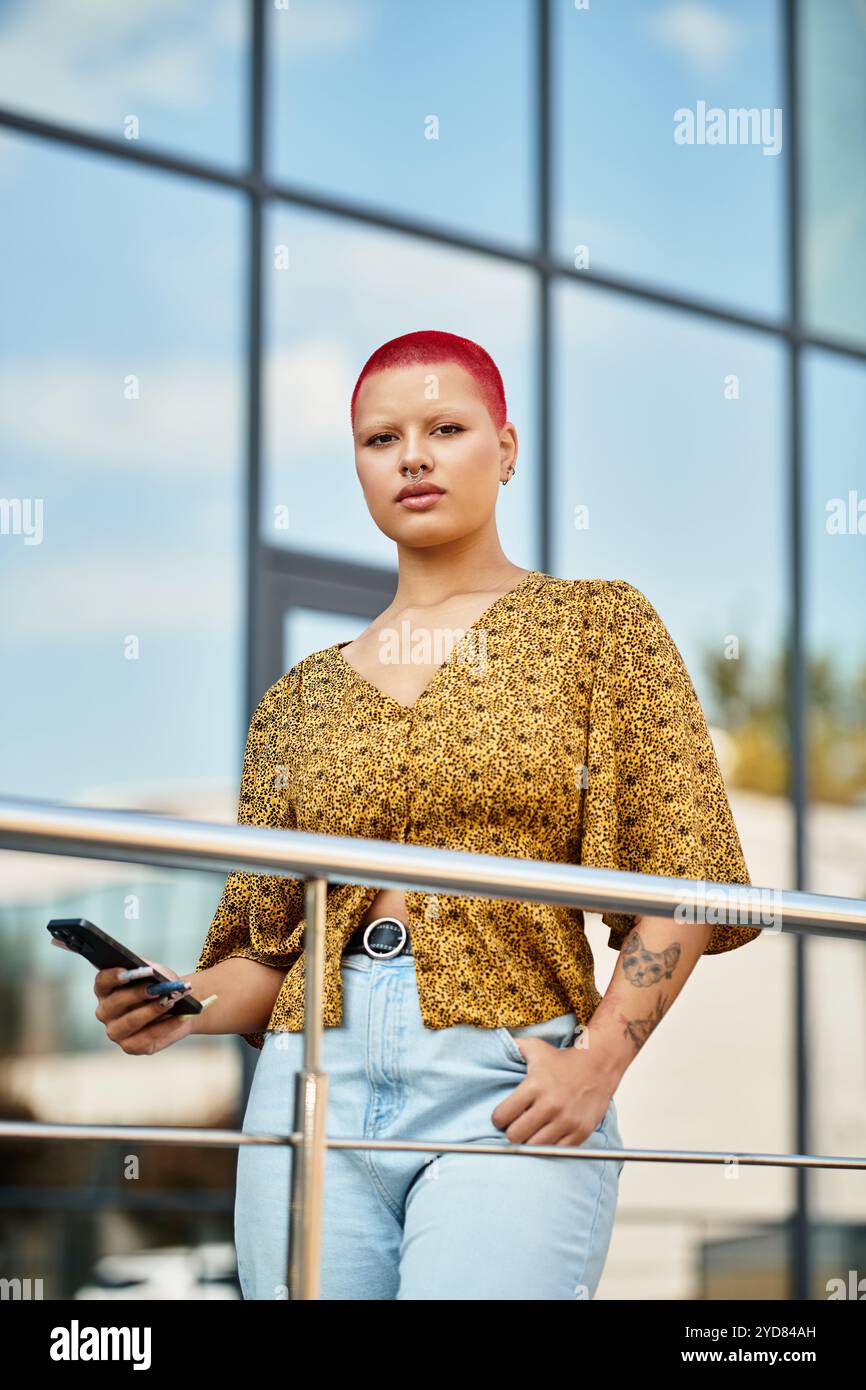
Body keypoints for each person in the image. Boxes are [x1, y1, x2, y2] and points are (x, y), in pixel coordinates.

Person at [94, 329, 763, 1300]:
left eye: (444, 427)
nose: (411, 455)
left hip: (502, 1082)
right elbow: (272, 953)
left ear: (505, 448)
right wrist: (178, 1000)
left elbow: (683, 875)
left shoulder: (596, 628)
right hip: (306, 1088)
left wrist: (598, 1064)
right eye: (379, 439)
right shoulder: (298, 700)